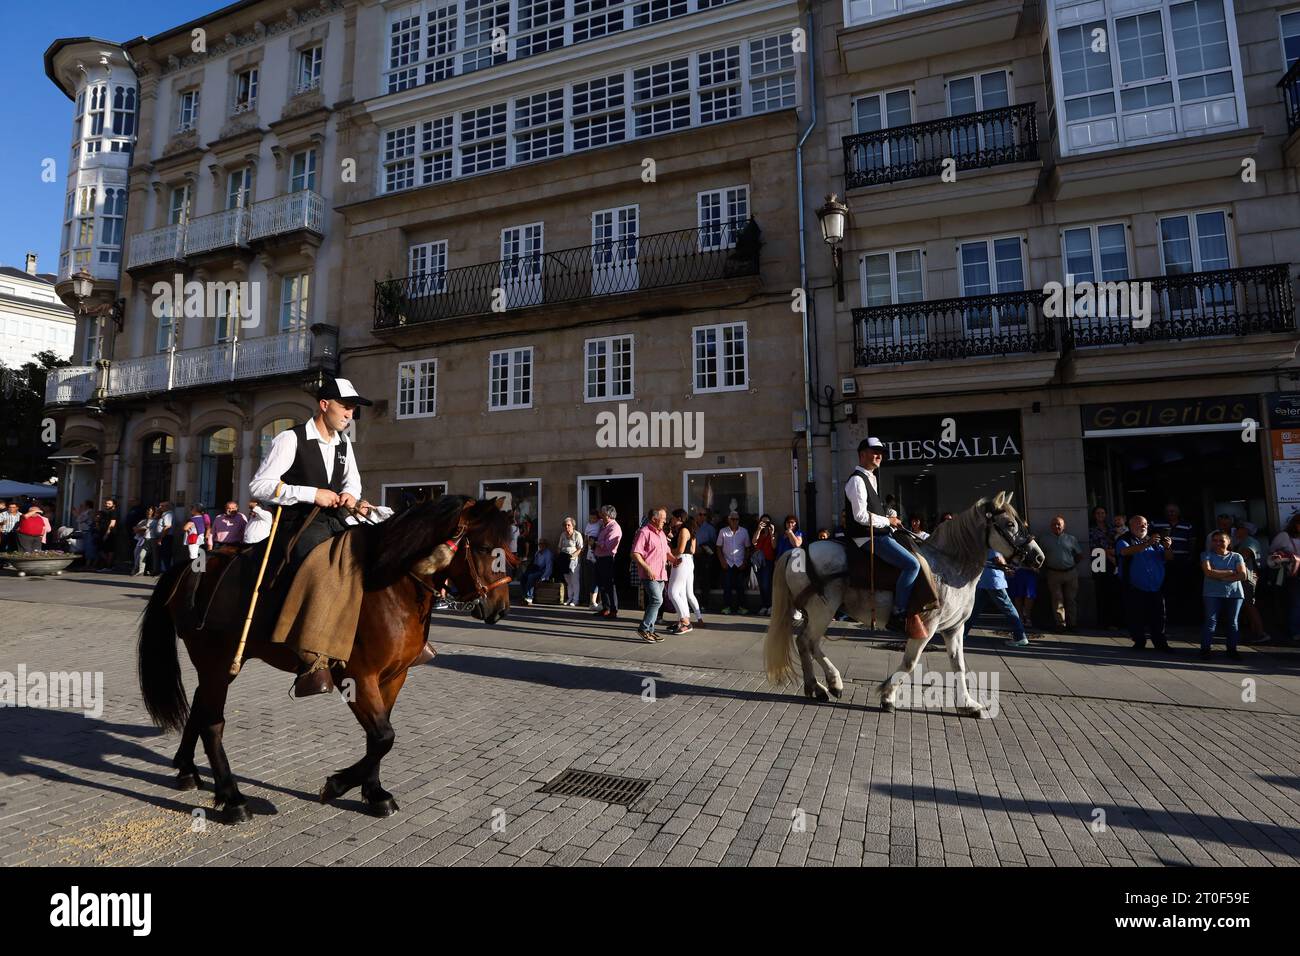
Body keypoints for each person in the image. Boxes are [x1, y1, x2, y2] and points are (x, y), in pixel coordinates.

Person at [249, 375, 373, 697]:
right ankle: (309, 658)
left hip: (334, 519)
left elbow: (353, 483)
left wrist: (348, 495)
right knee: (318, 565)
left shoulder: (344, 444)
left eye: (353, 410)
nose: (350, 415)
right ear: (324, 405)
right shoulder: (290, 439)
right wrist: (310, 493)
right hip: (296, 524)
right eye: (345, 407)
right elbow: (260, 485)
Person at [844, 436, 920, 632]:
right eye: (874, 451)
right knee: (912, 564)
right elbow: (860, 516)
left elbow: (873, 512)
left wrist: (891, 521)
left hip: (879, 533)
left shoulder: (872, 478)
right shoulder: (856, 480)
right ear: (862, 454)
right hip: (867, 537)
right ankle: (898, 612)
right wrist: (888, 521)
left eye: (881, 452)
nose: (879, 455)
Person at [1116, 515, 1175, 652]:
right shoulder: (1124, 539)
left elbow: (1169, 558)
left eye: (1145, 524)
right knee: (1136, 616)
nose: (1143, 526)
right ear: (1131, 526)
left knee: (1159, 616)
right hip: (1134, 587)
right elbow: (1125, 552)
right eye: (1139, 524)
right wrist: (1147, 544)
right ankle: (1139, 642)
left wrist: (1167, 547)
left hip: (1155, 587)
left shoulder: (1155, 541)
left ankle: (1160, 643)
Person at [963, 548, 1029, 648]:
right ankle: (962, 633)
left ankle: (1020, 636)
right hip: (986, 581)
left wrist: (1006, 569)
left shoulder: (990, 543)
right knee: (974, 608)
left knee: (1008, 608)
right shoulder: (991, 541)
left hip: (992, 581)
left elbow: (997, 558)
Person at [1200, 530, 1247, 660]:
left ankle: (1232, 649)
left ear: (1228, 542)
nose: (1218, 543)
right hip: (1212, 593)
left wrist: (1222, 576)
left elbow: (1243, 575)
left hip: (1234, 594)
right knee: (1210, 620)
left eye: (1221, 540)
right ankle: (1205, 649)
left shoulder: (1237, 556)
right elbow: (1208, 572)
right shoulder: (1206, 555)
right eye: (1215, 540)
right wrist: (1231, 572)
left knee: (1233, 622)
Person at [1152, 503, 1197, 624]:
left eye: (1173, 511)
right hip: (1162, 561)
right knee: (1164, 589)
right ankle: (1166, 617)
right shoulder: (1156, 524)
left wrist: (1190, 557)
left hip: (1181, 561)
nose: (1170, 513)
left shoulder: (1187, 525)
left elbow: (1192, 542)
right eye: (1168, 511)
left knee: (1181, 588)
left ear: (1178, 512)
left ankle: (1181, 617)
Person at [631, 507, 671, 642]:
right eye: (663, 519)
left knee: (657, 602)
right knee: (657, 600)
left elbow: (667, 552)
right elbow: (635, 553)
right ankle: (643, 628)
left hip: (661, 573)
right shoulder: (644, 532)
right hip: (649, 574)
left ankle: (650, 631)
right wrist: (647, 568)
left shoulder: (661, 534)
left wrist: (675, 559)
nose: (665, 521)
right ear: (654, 519)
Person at [1042, 514, 1085, 631]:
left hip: (1070, 573)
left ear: (1064, 526)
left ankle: (1072, 623)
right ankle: (1060, 624)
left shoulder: (1071, 539)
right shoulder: (1044, 539)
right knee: (1057, 599)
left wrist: (1071, 564)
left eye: (1059, 524)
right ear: (1050, 527)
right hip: (1053, 573)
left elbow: (1080, 555)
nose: (1056, 526)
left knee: (1071, 599)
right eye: (1054, 524)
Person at [666, 509, 703, 633]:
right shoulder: (687, 531)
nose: (671, 520)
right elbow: (691, 550)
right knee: (681, 593)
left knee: (673, 592)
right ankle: (683, 621)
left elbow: (680, 550)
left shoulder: (683, 530)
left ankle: (685, 621)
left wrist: (668, 551)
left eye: (673, 518)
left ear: (679, 519)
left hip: (681, 561)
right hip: (686, 561)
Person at [1231, 523, 1267, 643]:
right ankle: (1255, 632)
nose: (1236, 530)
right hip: (1246, 577)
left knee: (1249, 605)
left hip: (1247, 577)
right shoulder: (1243, 542)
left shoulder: (1249, 542)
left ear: (1245, 530)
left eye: (1238, 528)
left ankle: (1260, 633)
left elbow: (1242, 557)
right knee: (1248, 605)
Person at [1269, 513, 1300, 641]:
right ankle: (1295, 631)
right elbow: (1271, 553)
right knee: (1295, 604)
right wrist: (1283, 555)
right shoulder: (1284, 536)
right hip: (1293, 574)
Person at [1090, 505, 1122, 629]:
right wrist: (1107, 552)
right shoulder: (1092, 529)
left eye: (1103, 513)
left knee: (1113, 591)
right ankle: (1104, 622)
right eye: (1098, 513)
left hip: (1112, 562)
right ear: (1094, 515)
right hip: (1098, 561)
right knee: (1101, 592)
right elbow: (1094, 546)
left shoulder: (1112, 528)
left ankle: (1115, 621)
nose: (1100, 515)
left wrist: (1112, 553)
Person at [717, 511, 751, 614]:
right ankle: (727, 607)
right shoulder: (723, 531)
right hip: (728, 562)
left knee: (741, 587)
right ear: (728, 520)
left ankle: (742, 607)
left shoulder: (744, 532)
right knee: (727, 586)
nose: (734, 521)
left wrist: (745, 561)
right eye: (732, 519)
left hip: (740, 563)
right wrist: (722, 561)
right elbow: (718, 547)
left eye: (736, 519)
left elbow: (747, 548)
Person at [593, 504, 622, 619]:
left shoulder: (614, 527)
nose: (600, 516)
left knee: (609, 585)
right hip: (600, 558)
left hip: (608, 558)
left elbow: (608, 545)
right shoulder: (604, 526)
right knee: (601, 584)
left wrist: (595, 543)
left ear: (609, 515)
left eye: (603, 514)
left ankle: (613, 610)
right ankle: (606, 608)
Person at [753, 514, 777, 615]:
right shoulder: (759, 532)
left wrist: (772, 533)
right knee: (761, 585)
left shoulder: (774, 533)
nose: (765, 524)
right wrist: (759, 530)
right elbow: (754, 542)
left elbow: (774, 546)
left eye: (767, 522)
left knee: (767, 584)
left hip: (768, 561)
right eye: (763, 522)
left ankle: (770, 605)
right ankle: (764, 605)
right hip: (758, 561)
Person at [557, 517, 584, 607]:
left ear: (573, 526)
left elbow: (580, 548)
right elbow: (559, 547)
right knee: (568, 581)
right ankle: (569, 598)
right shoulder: (563, 535)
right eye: (565, 525)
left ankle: (576, 600)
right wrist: (560, 555)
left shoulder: (577, 535)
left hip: (574, 561)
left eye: (569, 525)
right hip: (564, 560)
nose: (566, 527)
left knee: (575, 580)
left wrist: (572, 556)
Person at [694, 508, 717, 609]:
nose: (702, 517)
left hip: (704, 557)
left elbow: (715, 544)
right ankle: (691, 604)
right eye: (700, 514)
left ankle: (704, 604)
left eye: (704, 515)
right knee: (692, 580)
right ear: (696, 515)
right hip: (692, 556)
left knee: (705, 581)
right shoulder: (692, 526)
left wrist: (704, 548)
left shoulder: (710, 528)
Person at [522, 538, 555, 605]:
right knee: (523, 577)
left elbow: (549, 568)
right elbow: (534, 564)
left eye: (542, 544)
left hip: (543, 571)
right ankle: (524, 596)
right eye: (540, 544)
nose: (540, 545)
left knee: (531, 577)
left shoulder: (548, 554)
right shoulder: (538, 552)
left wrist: (543, 578)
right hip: (536, 569)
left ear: (545, 545)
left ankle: (529, 597)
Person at [582, 509, 602, 609]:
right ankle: (592, 602)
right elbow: (586, 538)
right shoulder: (588, 525)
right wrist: (583, 548)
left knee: (600, 577)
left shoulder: (600, 522)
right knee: (593, 577)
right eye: (591, 517)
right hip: (591, 552)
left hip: (598, 548)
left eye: (594, 518)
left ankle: (601, 601)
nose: (592, 519)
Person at [132, 506, 154, 576]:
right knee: (136, 553)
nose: (148, 512)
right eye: (147, 510)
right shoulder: (143, 520)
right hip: (140, 540)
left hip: (148, 540)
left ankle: (141, 570)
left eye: (150, 510)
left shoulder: (154, 520)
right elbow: (135, 529)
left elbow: (146, 529)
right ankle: (136, 568)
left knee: (142, 555)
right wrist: (140, 529)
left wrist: (140, 529)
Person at [153, 500, 174, 574]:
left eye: (162, 506)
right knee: (163, 554)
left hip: (166, 537)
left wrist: (160, 539)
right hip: (164, 537)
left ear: (167, 507)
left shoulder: (168, 514)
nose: (160, 507)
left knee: (166, 554)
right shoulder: (164, 514)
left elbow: (167, 527)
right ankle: (164, 570)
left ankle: (166, 571)